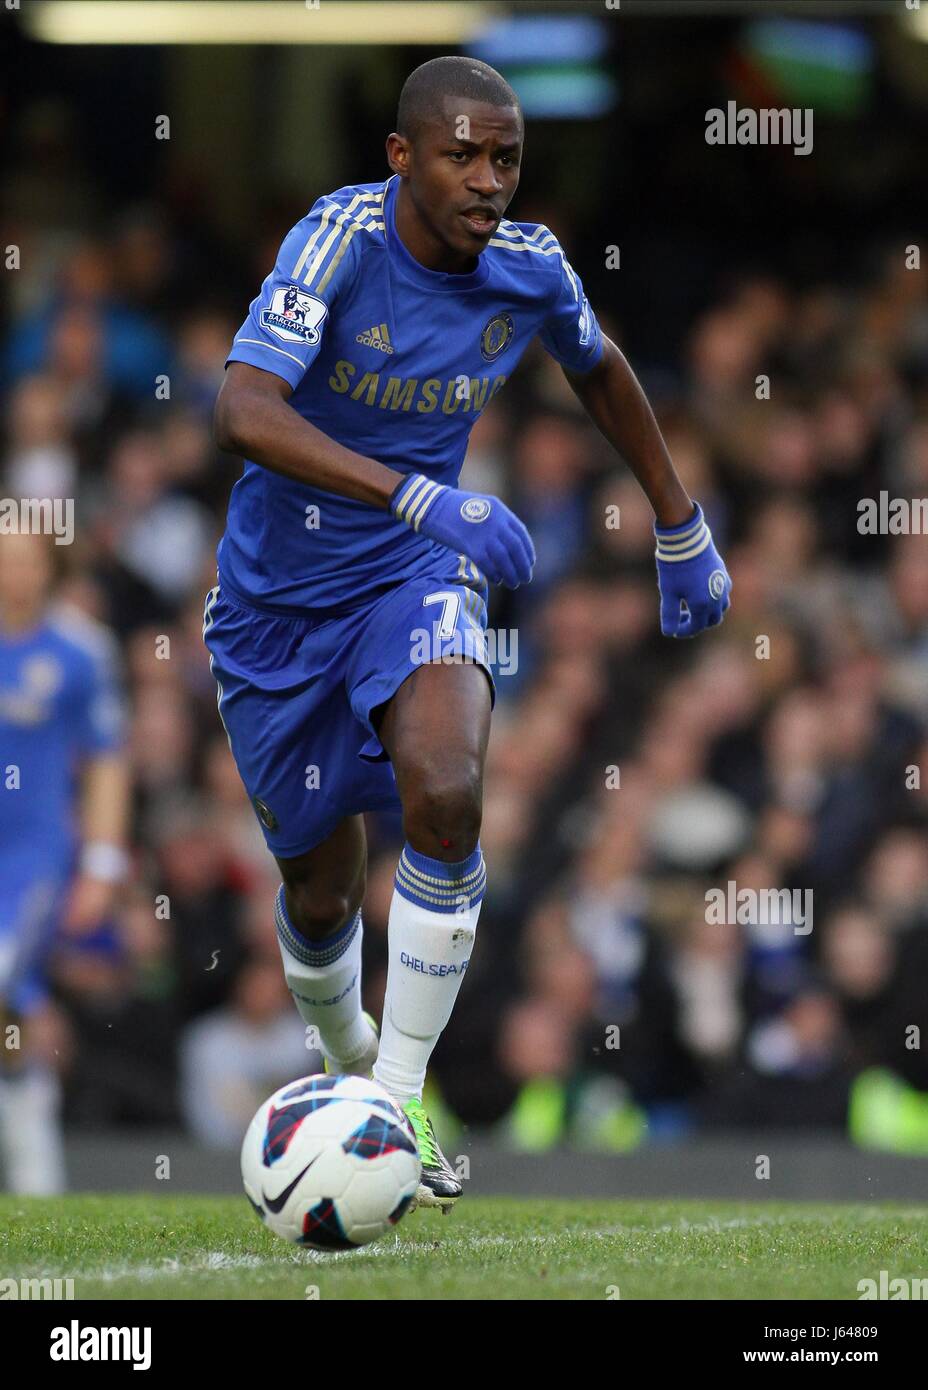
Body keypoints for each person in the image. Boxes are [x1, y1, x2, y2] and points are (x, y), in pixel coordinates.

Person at [205, 56, 731, 1213]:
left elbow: (600, 367)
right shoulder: (337, 241)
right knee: (321, 898)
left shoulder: (528, 267)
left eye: (505, 159)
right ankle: (352, 1066)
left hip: (414, 577)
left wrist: (678, 521)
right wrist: (411, 488)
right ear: (402, 156)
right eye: (462, 155)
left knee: (446, 789)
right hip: (276, 612)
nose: (488, 180)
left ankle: (393, 1097)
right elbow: (242, 408)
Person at [0, 532, 128, 1192]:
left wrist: (102, 862)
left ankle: (32, 1149)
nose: (13, 572)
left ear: (48, 568)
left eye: (24, 559)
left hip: (32, 859)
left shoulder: (80, 651)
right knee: (11, 1012)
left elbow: (107, 759)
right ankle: (29, 1110)